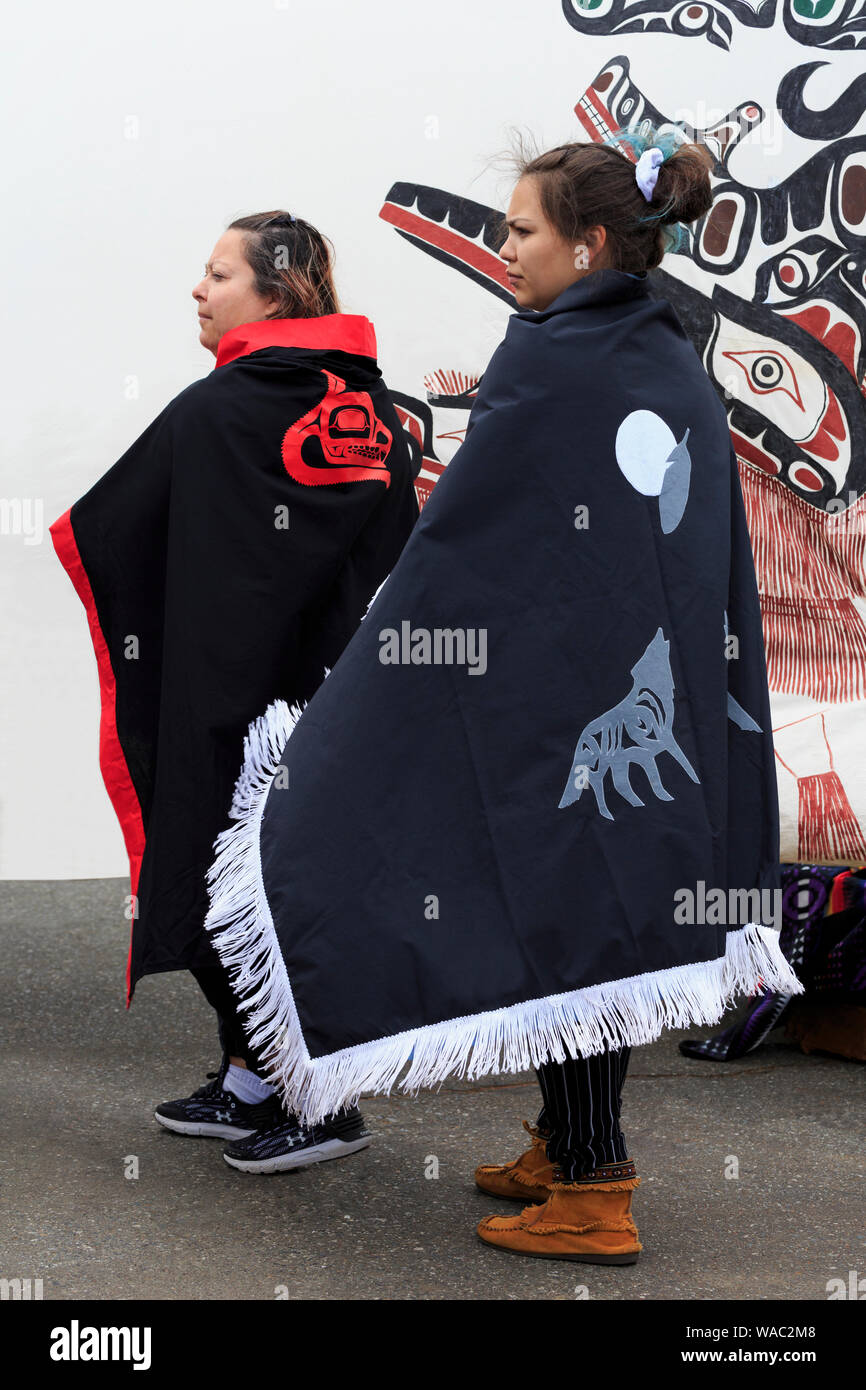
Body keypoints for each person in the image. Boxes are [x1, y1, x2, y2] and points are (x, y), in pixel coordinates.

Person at [203, 132, 803, 1262]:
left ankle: (592, 1189)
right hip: (618, 685)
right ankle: (563, 1143)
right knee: (574, 903)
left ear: (583, 244)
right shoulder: (651, 341)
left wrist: (389, 656)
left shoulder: (561, 354)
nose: (507, 248)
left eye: (522, 230)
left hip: (575, 699)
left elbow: (471, 538)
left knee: (569, 911)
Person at [51, 210, 419, 1171]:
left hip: (232, 700)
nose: (198, 290)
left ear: (278, 292)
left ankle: (323, 1099)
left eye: (217, 273)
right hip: (342, 704)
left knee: (235, 880)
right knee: (274, 882)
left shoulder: (214, 412)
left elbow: (107, 530)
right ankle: (254, 1076)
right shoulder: (383, 417)